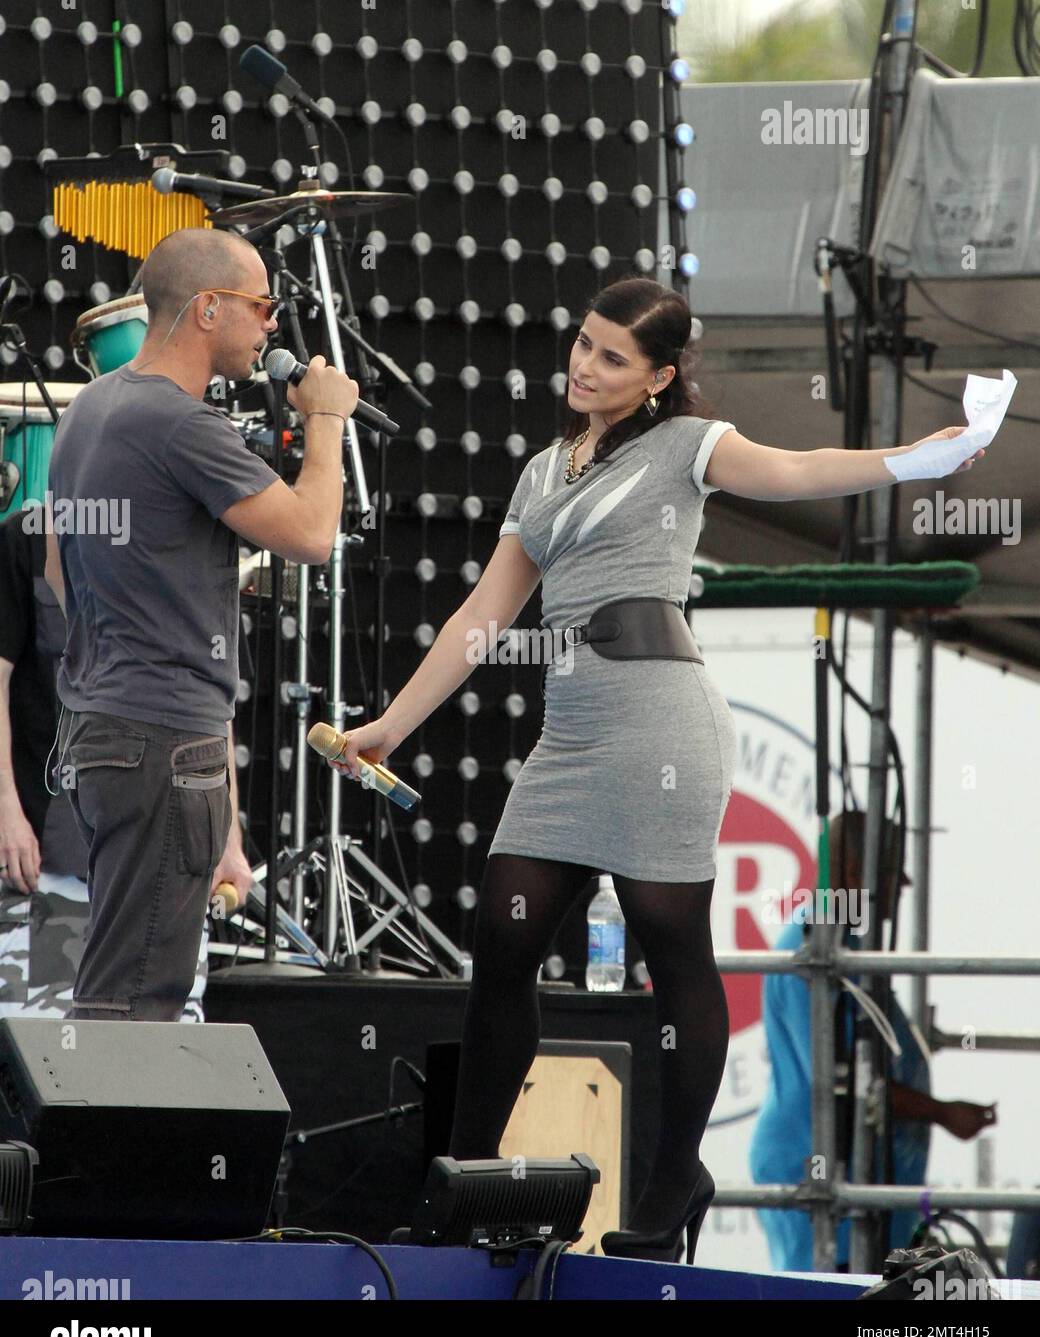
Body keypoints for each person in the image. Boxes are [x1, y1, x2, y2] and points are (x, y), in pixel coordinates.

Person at [322, 273, 987, 1261]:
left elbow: (797, 469)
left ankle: (674, 1178)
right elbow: (480, 618)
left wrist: (915, 458)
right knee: (500, 948)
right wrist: (391, 726)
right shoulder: (544, 469)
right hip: (574, 723)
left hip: (658, 721)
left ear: (658, 378)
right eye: (582, 345)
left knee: (671, 949)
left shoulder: (688, 447)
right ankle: (462, 1177)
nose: (583, 367)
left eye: (610, 358)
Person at [42, 227, 358, 1021]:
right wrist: (326, 421)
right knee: (140, 995)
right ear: (210, 309)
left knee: (117, 982)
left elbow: (55, 569)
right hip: (158, 740)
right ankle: (107, 1147)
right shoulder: (183, 426)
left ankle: (99, 1141)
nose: (273, 325)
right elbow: (314, 534)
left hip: (102, 726)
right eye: (261, 307)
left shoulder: (91, 409)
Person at [0, 509, 234, 1021]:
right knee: (43, 1058)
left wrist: (228, 835)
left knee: (163, 1060)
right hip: (50, 855)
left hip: (168, 846)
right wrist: (6, 811)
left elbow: (213, 706)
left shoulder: (192, 539)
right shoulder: (29, 538)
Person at [750, 810, 997, 1271]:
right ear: (852, 873)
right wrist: (942, 1112)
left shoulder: (848, 945)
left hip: (853, 1176)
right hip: (819, 1167)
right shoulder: (815, 950)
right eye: (889, 869)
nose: (902, 884)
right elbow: (842, 1081)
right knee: (829, 1289)